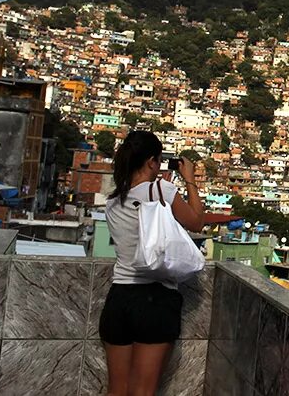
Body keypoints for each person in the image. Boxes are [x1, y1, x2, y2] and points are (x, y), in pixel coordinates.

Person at [98, 130, 206, 396]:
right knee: (143, 391)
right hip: (154, 299)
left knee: (117, 390)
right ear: (151, 162)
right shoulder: (162, 190)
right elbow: (196, 221)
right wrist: (189, 180)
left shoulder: (113, 202)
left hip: (119, 298)